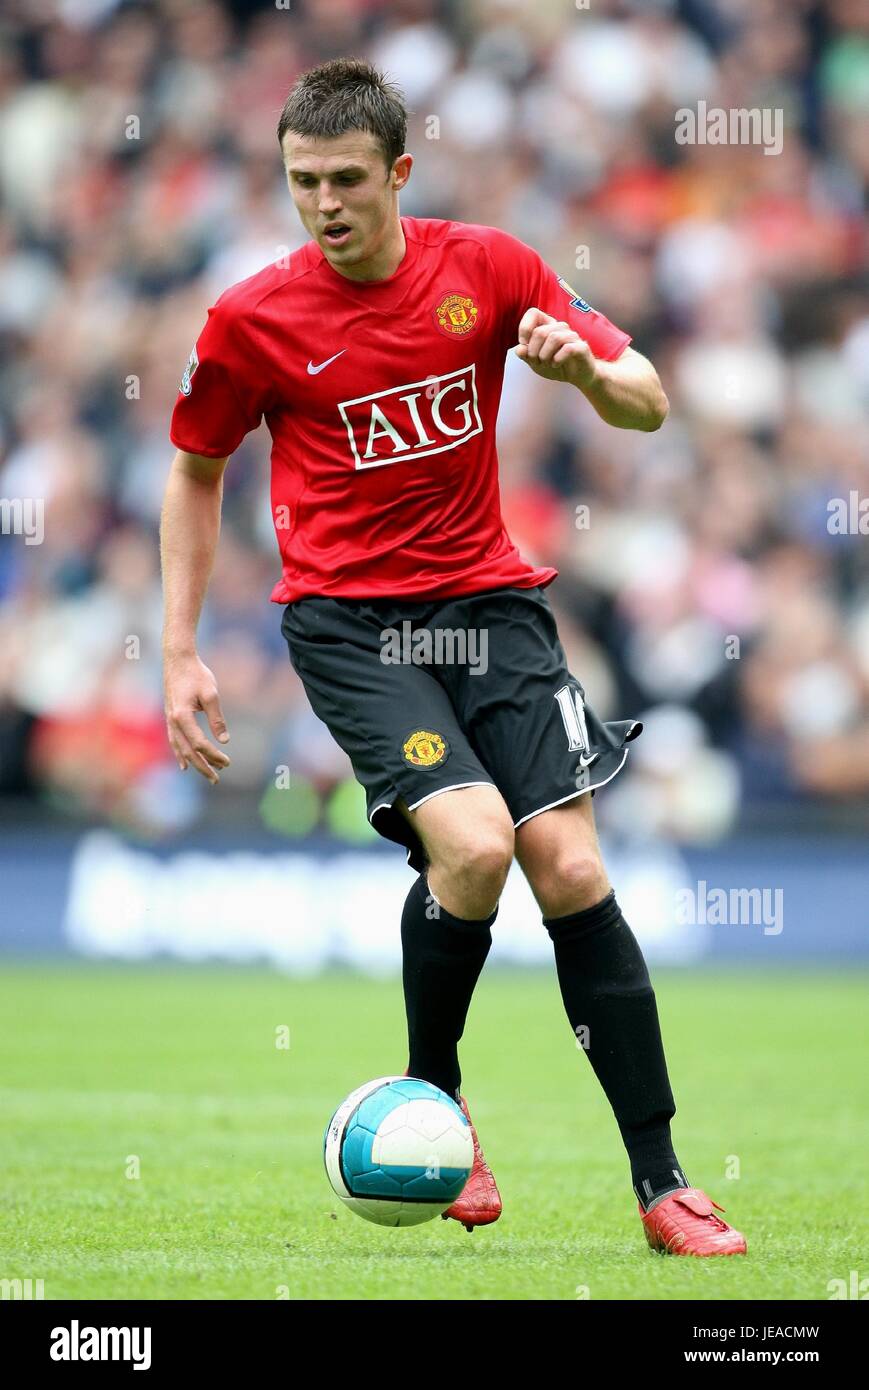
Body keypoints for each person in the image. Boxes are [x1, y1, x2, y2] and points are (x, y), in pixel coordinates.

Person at [161, 57, 746, 1257]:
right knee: (476, 846)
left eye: (345, 181)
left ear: (399, 175)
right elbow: (195, 469)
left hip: (491, 605)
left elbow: (647, 398)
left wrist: (584, 374)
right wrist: (177, 651)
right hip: (349, 622)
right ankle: (439, 1104)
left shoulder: (486, 267)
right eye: (300, 181)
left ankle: (663, 1183)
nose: (322, 204)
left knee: (571, 869)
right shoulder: (251, 320)